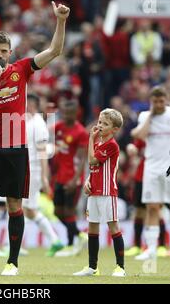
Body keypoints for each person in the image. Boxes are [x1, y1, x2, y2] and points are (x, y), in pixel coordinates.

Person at [0, 1, 70, 276]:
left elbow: (55, 51)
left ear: (10, 52)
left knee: (14, 205)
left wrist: (60, 20)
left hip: (15, 148)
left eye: (3, 51)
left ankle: (12, 263)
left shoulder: (22, 69)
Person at [0, 94, 63, 257]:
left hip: (31, 171)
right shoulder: (20, 121)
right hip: (17, 168)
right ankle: (54, 240)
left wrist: (44, 177)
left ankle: (8, 244)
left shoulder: (38, 124)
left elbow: (42, 153)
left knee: (17, 206)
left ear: (31, 106)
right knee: (27, 209)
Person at [73, 108, 126, 277]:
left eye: (105, 124)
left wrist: (90, 138)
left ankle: (120, 267)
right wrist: (88, 181)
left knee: (113, 226)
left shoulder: (111, 145)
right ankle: (92, 267)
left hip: (107, 192)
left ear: (115, 129)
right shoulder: (98, 143)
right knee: (92, 227)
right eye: (100, 122)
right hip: (94, 191)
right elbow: (94, 167)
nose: (100, 126)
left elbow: (92, 159)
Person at [131, 86, 170, 261]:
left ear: (166, 99)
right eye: (155, 101)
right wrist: (151, 116)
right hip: (151, 167)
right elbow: (138, 135)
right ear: (151, 102)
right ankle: (152, 249)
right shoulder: (145, 116)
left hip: (168, 166)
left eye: (162, 101)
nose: (159, 104)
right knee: (152, 208)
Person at [51, 100, 89, 257]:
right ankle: (80, 235)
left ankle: (70, 244)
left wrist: (75, 179)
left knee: (69, 210)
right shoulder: (58, 128)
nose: (66, 115)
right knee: (57, 211)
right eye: (64, 112)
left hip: (72, 178)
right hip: (59, 177)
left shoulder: (80, 132)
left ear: (76, 113)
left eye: (69, 113)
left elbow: (81, 159)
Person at [125, 140, 168, 257]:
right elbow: (135, 145)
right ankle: (137, 246)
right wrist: (131, 147)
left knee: (156, 209)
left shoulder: (163, 135)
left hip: (158, 176)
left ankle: (161, 246)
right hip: (141, 177)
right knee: (139, 212)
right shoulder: (146, 134)